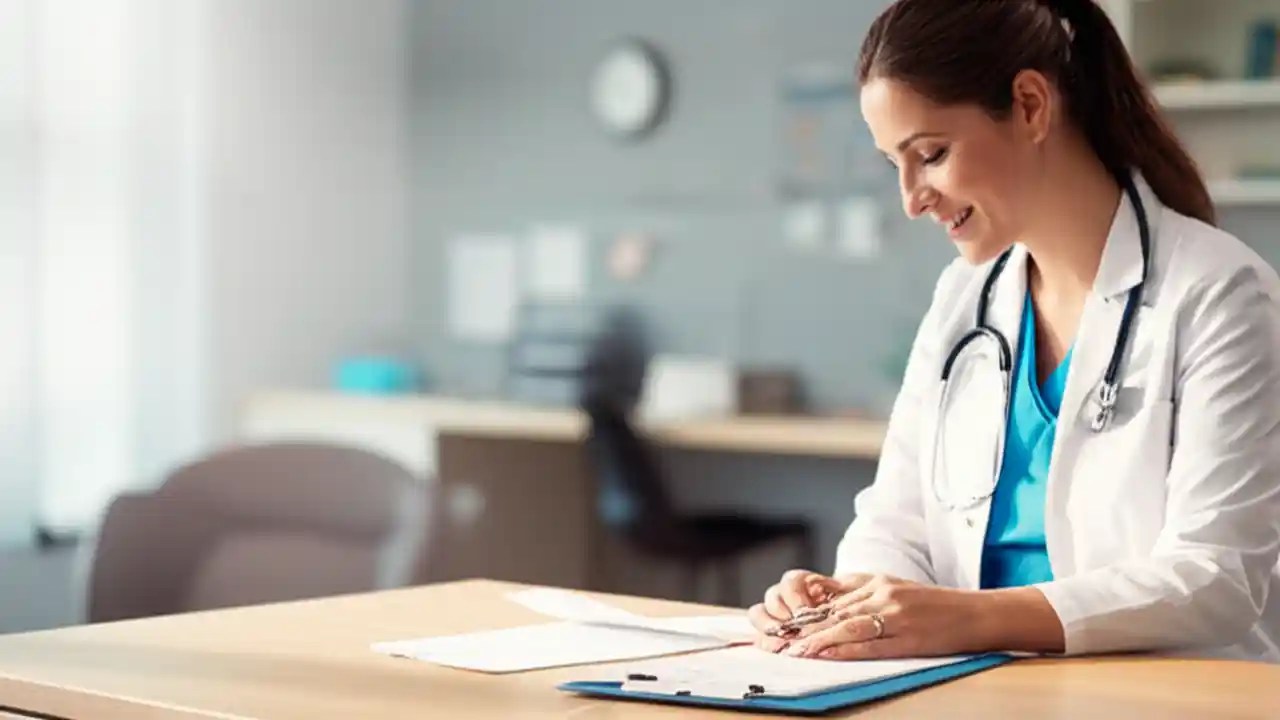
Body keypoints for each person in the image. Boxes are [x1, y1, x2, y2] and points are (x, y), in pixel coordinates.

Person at [749, 0, 1280, 662]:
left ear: (1031, 105)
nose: (912, 199)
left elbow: (1217, 574)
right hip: (986, 690)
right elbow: (896, 517)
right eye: (896, 166)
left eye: (931, 154)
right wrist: (849, 600)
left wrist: (972, 619)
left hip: (1158, 695)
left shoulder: (1218, 291)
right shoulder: (963, 298)